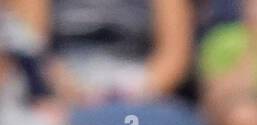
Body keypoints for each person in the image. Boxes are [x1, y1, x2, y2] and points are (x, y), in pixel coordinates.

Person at [15, 0, 194, 103]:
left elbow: (175, 56)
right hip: (62, 88)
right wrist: (67, 88)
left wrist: (134, 92)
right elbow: (31, 45)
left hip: (140, 89)